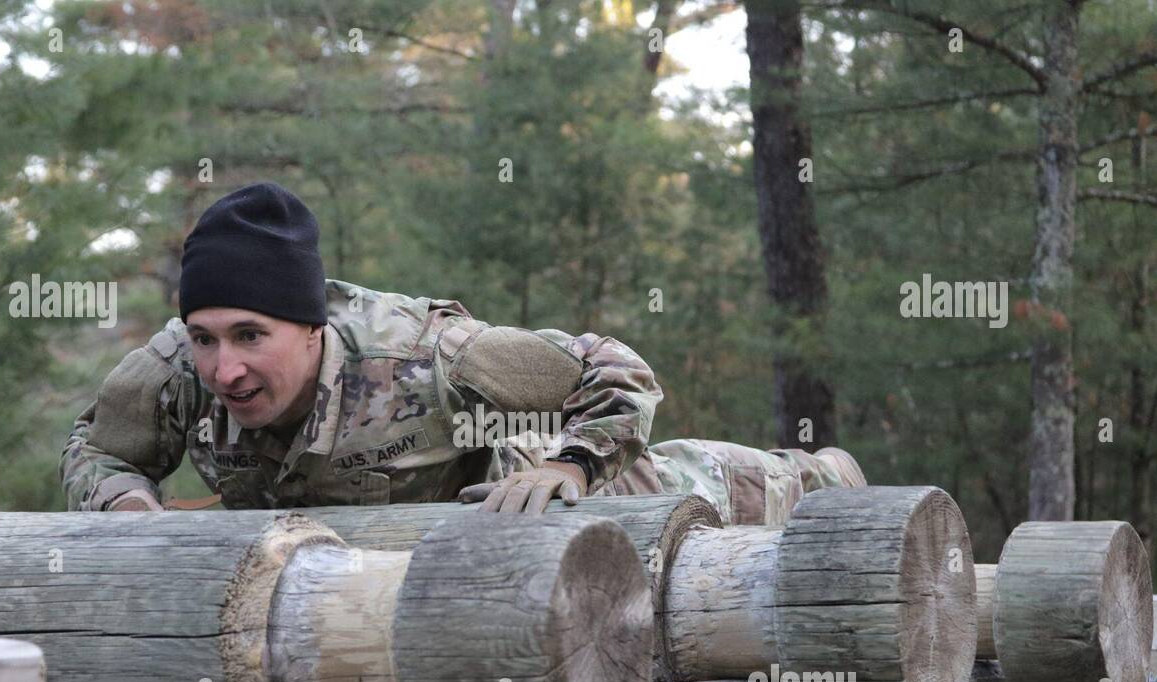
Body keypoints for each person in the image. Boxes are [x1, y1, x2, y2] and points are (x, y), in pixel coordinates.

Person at [61, 182, 864, 520]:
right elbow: (96, 452)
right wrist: (127, 508)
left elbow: (614, 370)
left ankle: (816, 476)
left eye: (249, 337)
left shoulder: (427, 356)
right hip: (365, 563)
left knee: (685, 491)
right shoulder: (176, 373)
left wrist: (571, 467)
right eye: (205, 338)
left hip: (521, 498)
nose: (224, 369)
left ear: (311, 328)